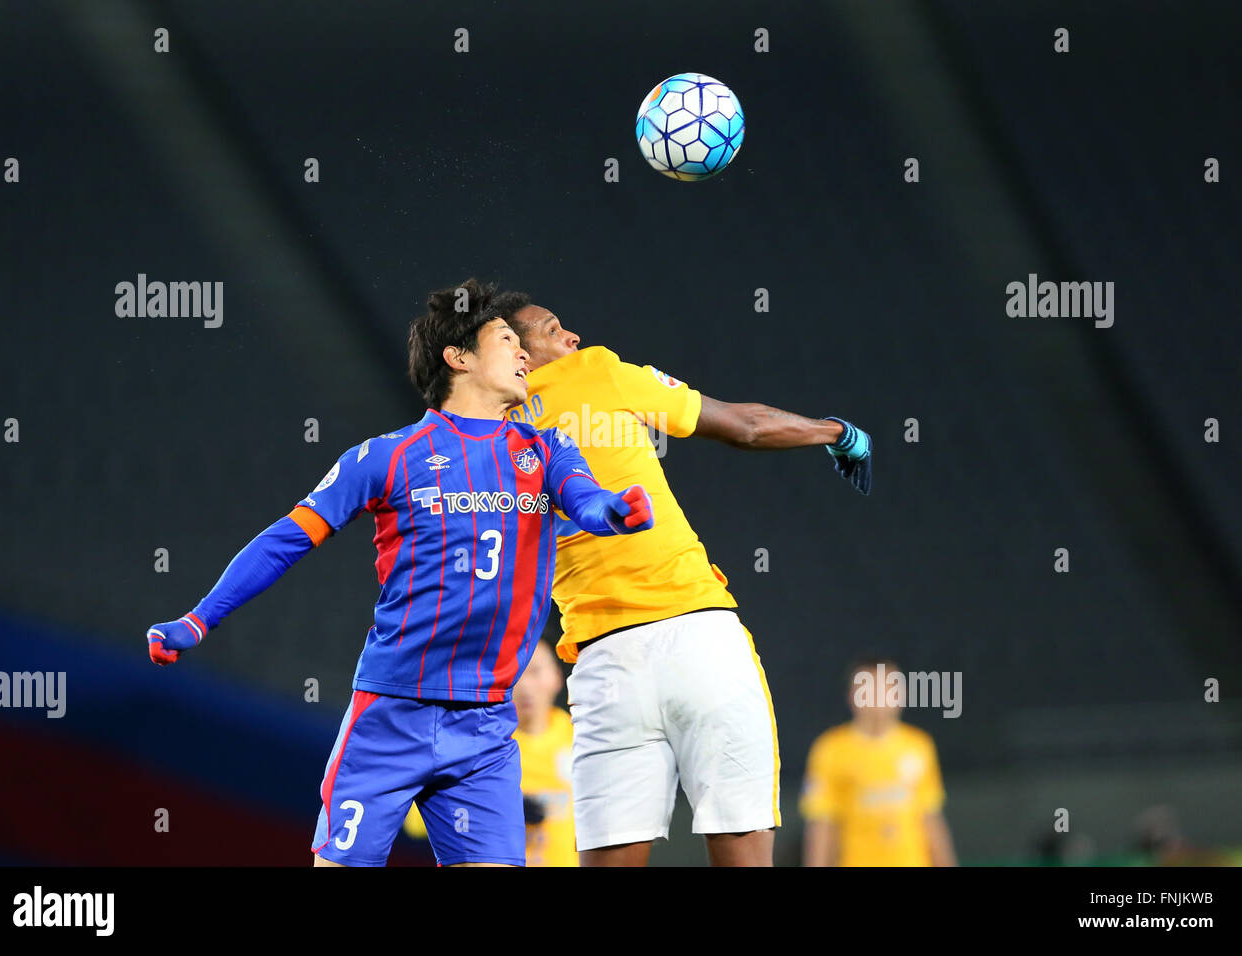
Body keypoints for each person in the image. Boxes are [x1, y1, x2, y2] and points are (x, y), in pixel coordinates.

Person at [145, 279, 654, 867]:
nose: (523, 353)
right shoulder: (383, 457)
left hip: (487, 727)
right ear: (458, 357)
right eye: (506, 340)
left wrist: (614, 512)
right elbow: (286, 539)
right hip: (391, 713)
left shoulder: (546, 450)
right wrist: (199, 620)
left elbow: (586, 499)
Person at [497, 293, 872, 866]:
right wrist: (836, 432)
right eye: (552, 329)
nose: (571, 336)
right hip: (699, 639)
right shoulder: (596, 370)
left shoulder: (478, 435)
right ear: (515, 353)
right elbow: (745, 427)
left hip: (604, 666)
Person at [405, 638, 577, 866]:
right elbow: (416, 824)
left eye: (535, 671)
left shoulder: (580, 740)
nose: (525, 685)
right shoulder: (478, 743)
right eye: (517, 675)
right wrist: (498, 810)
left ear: (556, 676)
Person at [801, 658, 957, 866]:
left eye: (889, 688)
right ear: (852, 696)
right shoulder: (830, 749)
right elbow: (822, 825)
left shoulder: (919, 745)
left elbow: (930, 818)